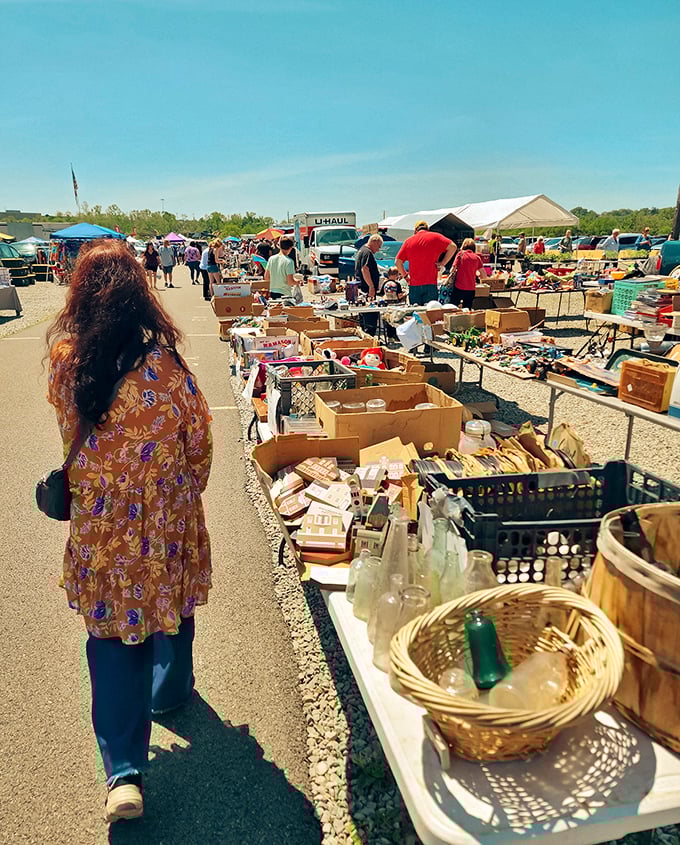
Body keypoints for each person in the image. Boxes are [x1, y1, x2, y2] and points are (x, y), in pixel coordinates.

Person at [45, 239, 212, 823]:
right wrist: (185, 489)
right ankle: (170, 690)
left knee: (113, 637)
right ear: (141, 295)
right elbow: (199, 440)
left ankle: (123, 773)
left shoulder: (66, 362)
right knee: (172, 602)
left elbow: (69, 429)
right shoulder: (166, 366)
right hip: (164, 514)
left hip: (101, 522)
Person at [396, 221, 457, 306]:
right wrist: (442, 263)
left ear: (415, 230)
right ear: (428, 229)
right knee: (430, 311)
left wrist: (405, 276)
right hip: (431, 283)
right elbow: (453, 247)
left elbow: (397, 262)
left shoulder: (408, 241)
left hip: (414, 285)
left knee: (415, 311)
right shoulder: (436, 237)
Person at [445, 237, 485, 308]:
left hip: (459, 287)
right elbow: (483, 275)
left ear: (463, 246)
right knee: (467, 309)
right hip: (471, 289)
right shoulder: (477, 258)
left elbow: (452, 269)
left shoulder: (460, 254)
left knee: (453, 307)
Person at [264, 235, 296, 300]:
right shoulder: (289, 261)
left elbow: (266, 277)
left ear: (280, 246)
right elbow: (290, 282)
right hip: (285, 293)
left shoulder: (271, 259)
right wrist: (298, 282)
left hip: (273, 291)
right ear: (290, 248)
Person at [354, 233, 382, 302]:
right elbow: (365, 269)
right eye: (379, 246)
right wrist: (371, 286)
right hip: (366, 288)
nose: (378, 250)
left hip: (363, 287)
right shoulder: (367, 252)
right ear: (374, 242)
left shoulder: (362, 250)